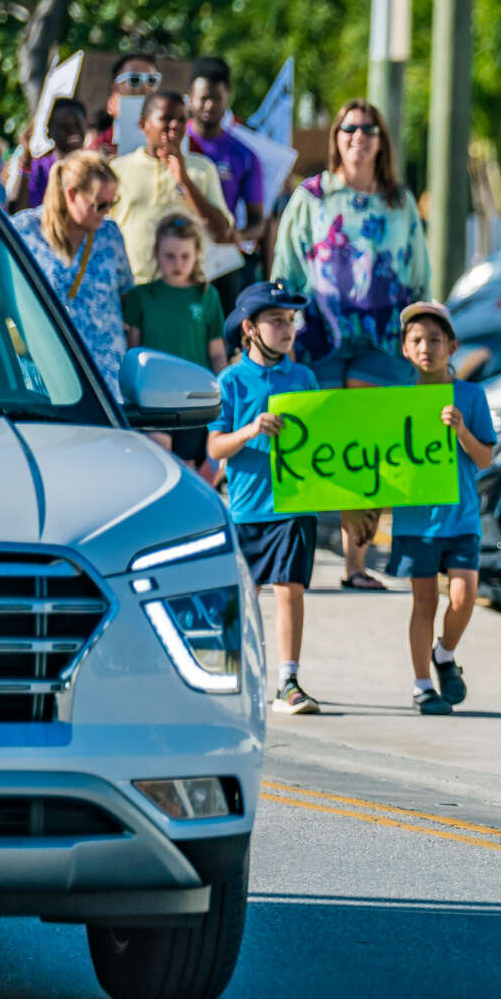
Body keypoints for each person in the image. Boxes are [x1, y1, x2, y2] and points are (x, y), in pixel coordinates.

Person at [271, 99, 428, 591]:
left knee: (365, 448)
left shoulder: (400, 202)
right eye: (348, 128)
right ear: (336, 137)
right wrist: (282, 329)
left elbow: (418, 273)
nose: (358, 136)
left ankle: (354, 565)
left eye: (369, 129)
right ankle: (287, 564)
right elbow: (287, 266)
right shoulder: (312, 196)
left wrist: (419, 334)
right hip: (319, 336)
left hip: (381, 340)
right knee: (321, 447)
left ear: (382, 140)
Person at [206, 282, 323, 715]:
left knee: (290, 588)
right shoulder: (230, 381)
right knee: (245, 595)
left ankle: (288, 680)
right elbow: (215, 448)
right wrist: (251, 429)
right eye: (276, 320)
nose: (287, 328)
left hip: (293, 503)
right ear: (250, 328)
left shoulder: (305, 378)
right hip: (246, 506)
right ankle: (239, 673)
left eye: (290, 320)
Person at [388, 302, 496, 716]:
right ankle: (421, 686)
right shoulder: (398, 400)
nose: (426, 348)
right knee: (424, 603)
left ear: (452, 346)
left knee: (464, 596)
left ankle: (445, 653)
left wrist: (461, 430)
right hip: (416, 521)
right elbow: (380, 464)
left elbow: (485, 458)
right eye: (416, 340)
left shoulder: (470, 396)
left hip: (461, 517)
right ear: (404, 349)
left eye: (435, 340)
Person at [8, 150, 131, 390]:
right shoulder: (24, 231)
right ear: (72, 194)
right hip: (44, 371)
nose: (107, 211)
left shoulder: (109, 234)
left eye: (112, 203)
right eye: (100, 204)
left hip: (105, 374)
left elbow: (126, 293)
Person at [121, 216, 225, 468]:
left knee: (189, 466)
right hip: (153, 399)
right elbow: (132, 352)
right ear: (156, 253)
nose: (177, 263)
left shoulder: (207, 296)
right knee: (162, 462)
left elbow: (217, 352)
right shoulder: (141, 296)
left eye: (184, 256)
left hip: (195, 400)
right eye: (169, 255)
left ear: (197, 253)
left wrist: (224, 394)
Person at [112, 90, 238, 286]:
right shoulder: (117, 170)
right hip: (131, 287)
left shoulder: (202, 169)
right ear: (143, 125)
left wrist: (184, 180)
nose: (175, 125)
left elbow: (221, 233)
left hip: (185, 289)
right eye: (166, 118)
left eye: (181, 120)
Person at [182, 58, 267, 306]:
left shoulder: (244, 155)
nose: (209, 105)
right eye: (203, 98)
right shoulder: (174, 146)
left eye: (216, 99)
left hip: (220, 262)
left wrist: (235, 237)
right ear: (190, 97)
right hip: (174, 258)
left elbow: (258, 222)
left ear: (227, 96)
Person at [9, 98, 89, 212]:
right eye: (64, 126)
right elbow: (20, 212)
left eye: (78, 125)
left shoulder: (94, 167)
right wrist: (26, 160)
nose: (73, 130)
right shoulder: (38, 168)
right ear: (49, 132)